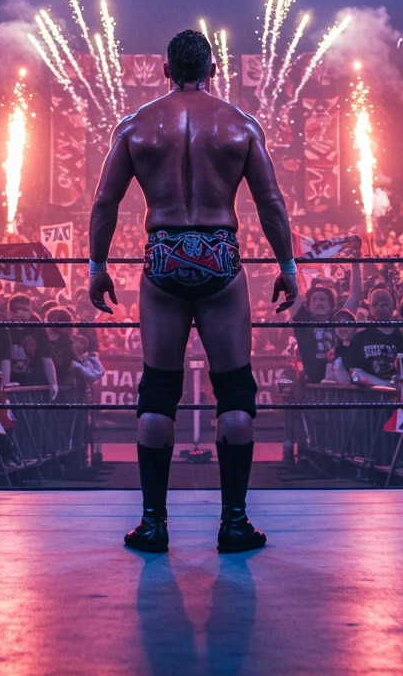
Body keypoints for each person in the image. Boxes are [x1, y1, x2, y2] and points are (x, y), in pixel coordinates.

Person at [88, 29, 297, 553]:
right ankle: (233, 523)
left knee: (159, 389)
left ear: (165, 69)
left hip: (163, 254)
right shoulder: (240, 125)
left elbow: (104, 204)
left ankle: (154, 524)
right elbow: (270, 203)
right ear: (214, 69)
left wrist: (96, 266)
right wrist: (288, 265)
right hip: (219, 253)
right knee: (235, 389)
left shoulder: (136, 126)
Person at [346, 287, 403, 387]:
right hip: (370, 396)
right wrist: (385, 385)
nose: (381, 308)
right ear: (370, 308)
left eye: (385, 304)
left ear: (392, 307)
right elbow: (355, 373)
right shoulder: (360, 338)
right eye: (375, 304)